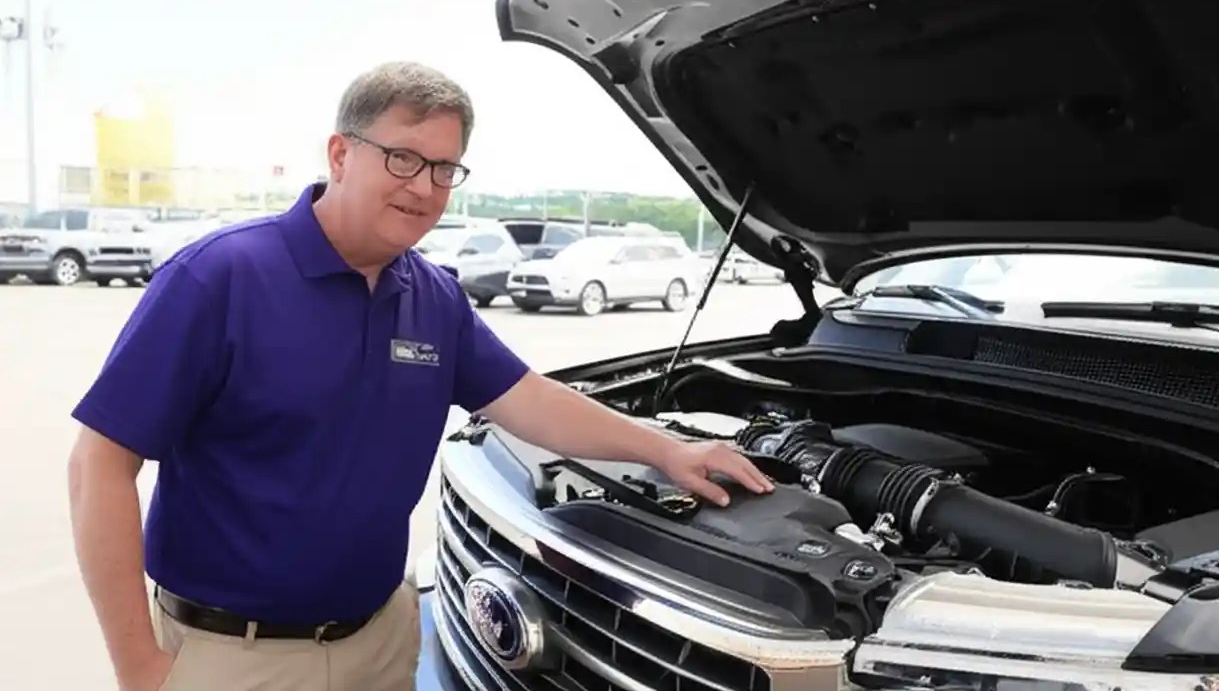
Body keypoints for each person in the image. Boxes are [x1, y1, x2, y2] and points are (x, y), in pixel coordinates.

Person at [66, 60, 774, 691]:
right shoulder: (220, 277)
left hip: (381, 640)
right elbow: (100, 462)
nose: (425, 187)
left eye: (445, 168)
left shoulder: (432, 296)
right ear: (341, 153)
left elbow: (529, 400)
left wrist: (670, 451)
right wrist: (138, 667)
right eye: (403, 158)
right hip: (233, 656)